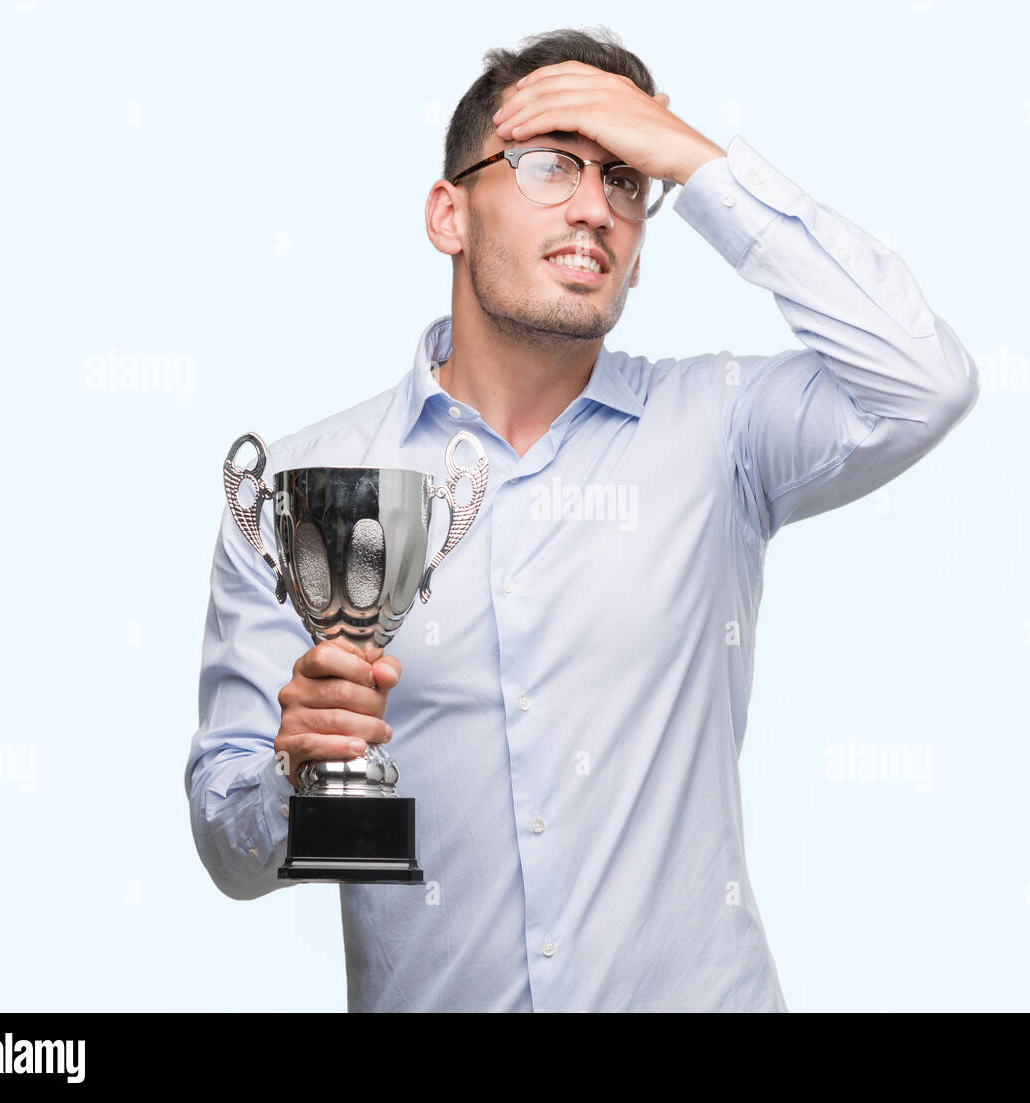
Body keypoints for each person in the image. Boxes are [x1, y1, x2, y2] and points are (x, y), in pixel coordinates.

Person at [185, 26, 980, 1012]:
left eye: (626, 177)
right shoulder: (308, 483)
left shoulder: (720, 428)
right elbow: (231, 845)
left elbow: (923, 385)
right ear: (449, 216)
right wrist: (297, 780)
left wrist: (697, 161)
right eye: (549, 164)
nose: (594, 206)